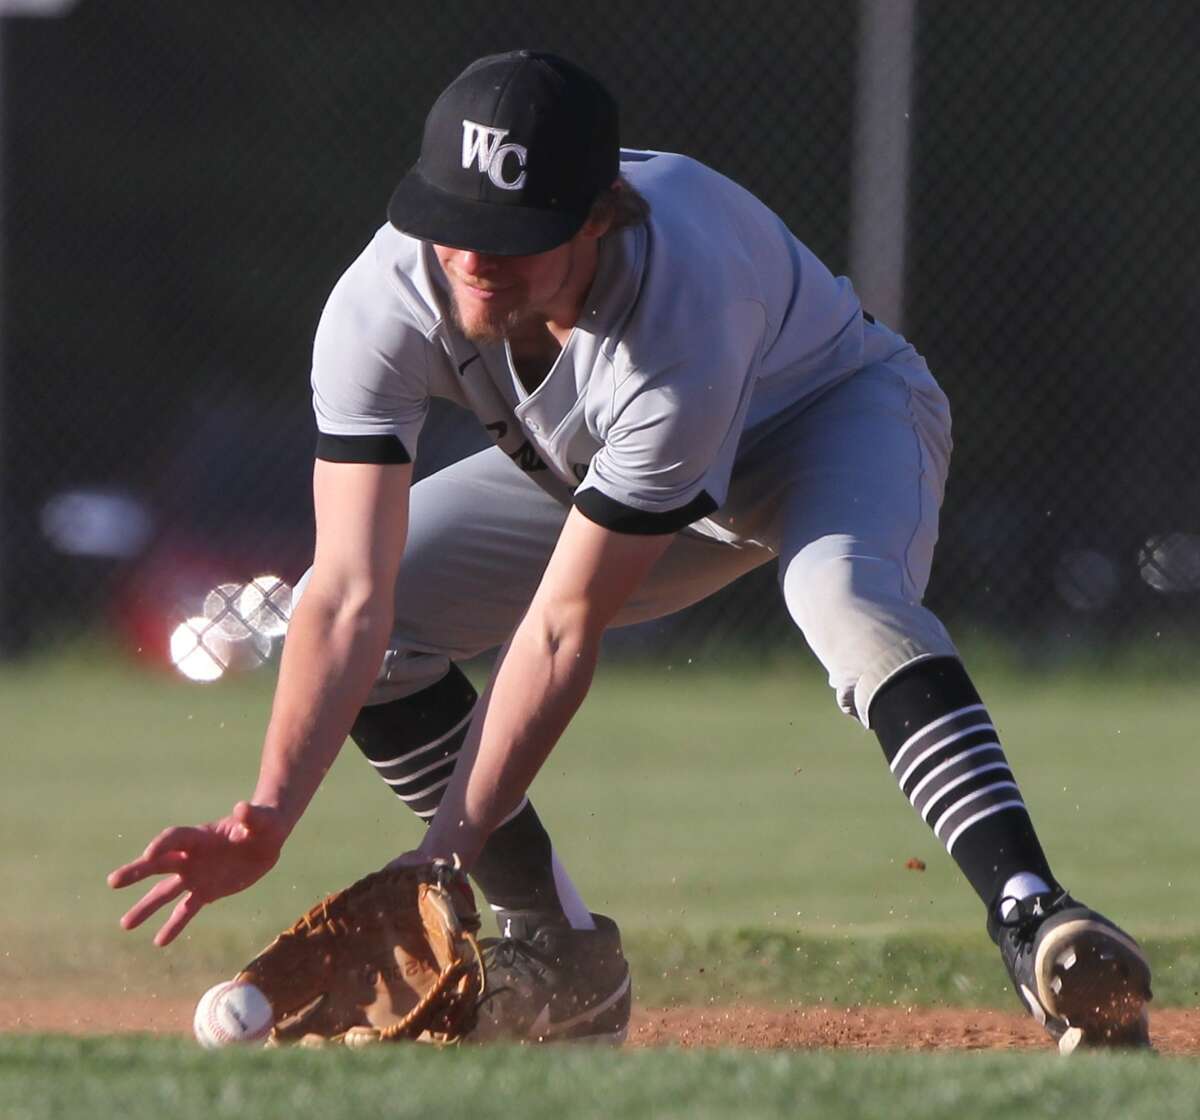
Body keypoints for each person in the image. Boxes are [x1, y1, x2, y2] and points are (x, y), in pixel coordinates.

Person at [109, 49, 1152, 1050]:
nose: (473, 252)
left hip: (826, 420)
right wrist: (268, 813)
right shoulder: (385, 297)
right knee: (381, 624)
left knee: (844, 594)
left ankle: (1033, 915)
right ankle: (559, 954)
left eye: (514, 229)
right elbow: (347, 594)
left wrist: (441, 855)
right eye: (453, 218)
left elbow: (564, 627)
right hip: (603, 469)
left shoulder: (677, 308)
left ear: (599, 217)